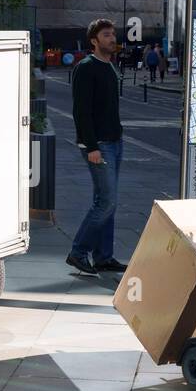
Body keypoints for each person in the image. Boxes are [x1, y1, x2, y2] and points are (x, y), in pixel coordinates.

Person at [67, 18, 127, 276]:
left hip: (115, 141)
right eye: (106, 35)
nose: (112, 38)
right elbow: (81, 112)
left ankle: (103, 256)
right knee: (106, 202)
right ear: (94, 41)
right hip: (99, 145)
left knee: (106, 201)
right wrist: (91, 146)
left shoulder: (110, 67)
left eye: (113, 34)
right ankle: (78, 252)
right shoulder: (86, 68)